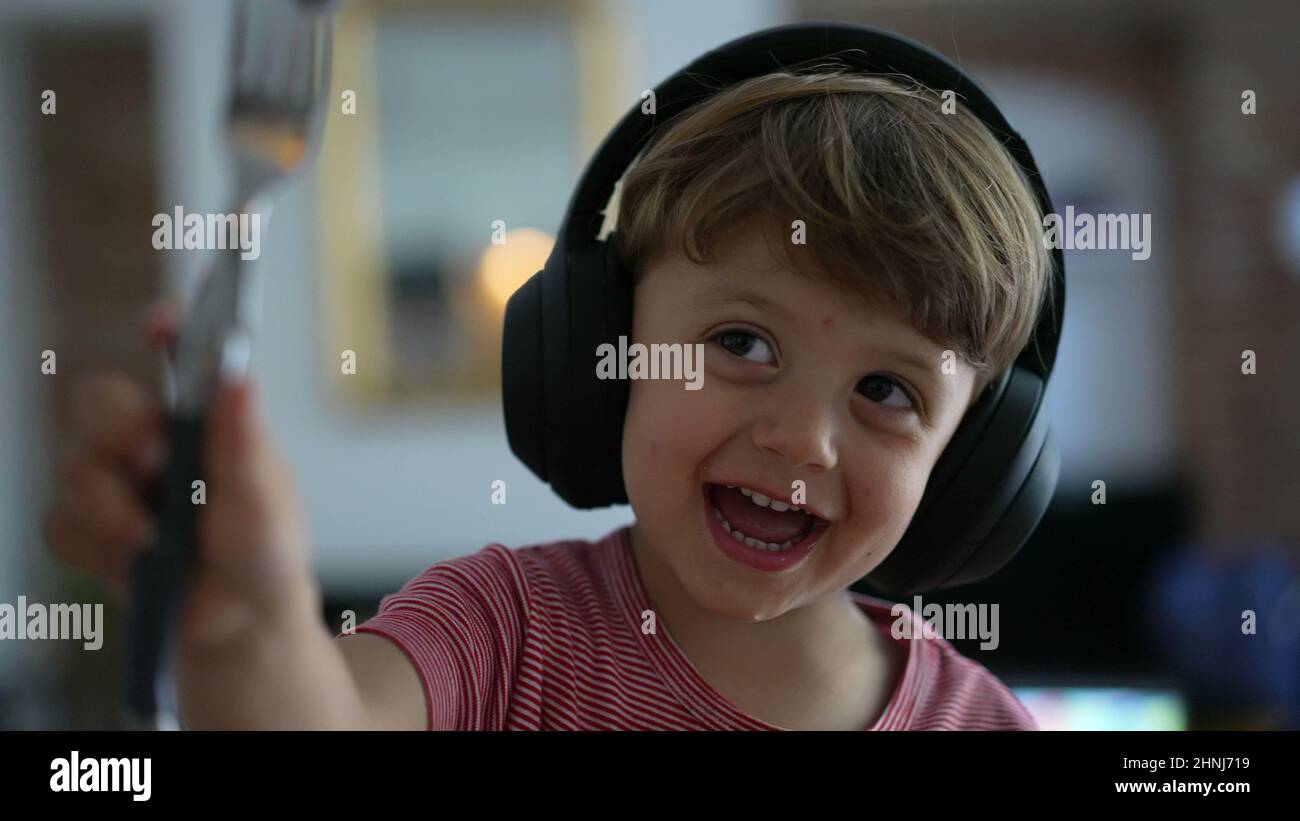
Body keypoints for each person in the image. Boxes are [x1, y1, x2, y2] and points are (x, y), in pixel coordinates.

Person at [44, 42, 1053, 731]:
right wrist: (245, 631)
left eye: (887, 389)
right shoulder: (502, 628)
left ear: (969, 459)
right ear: (600, 349)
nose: (801, 440)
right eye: (741, 340)